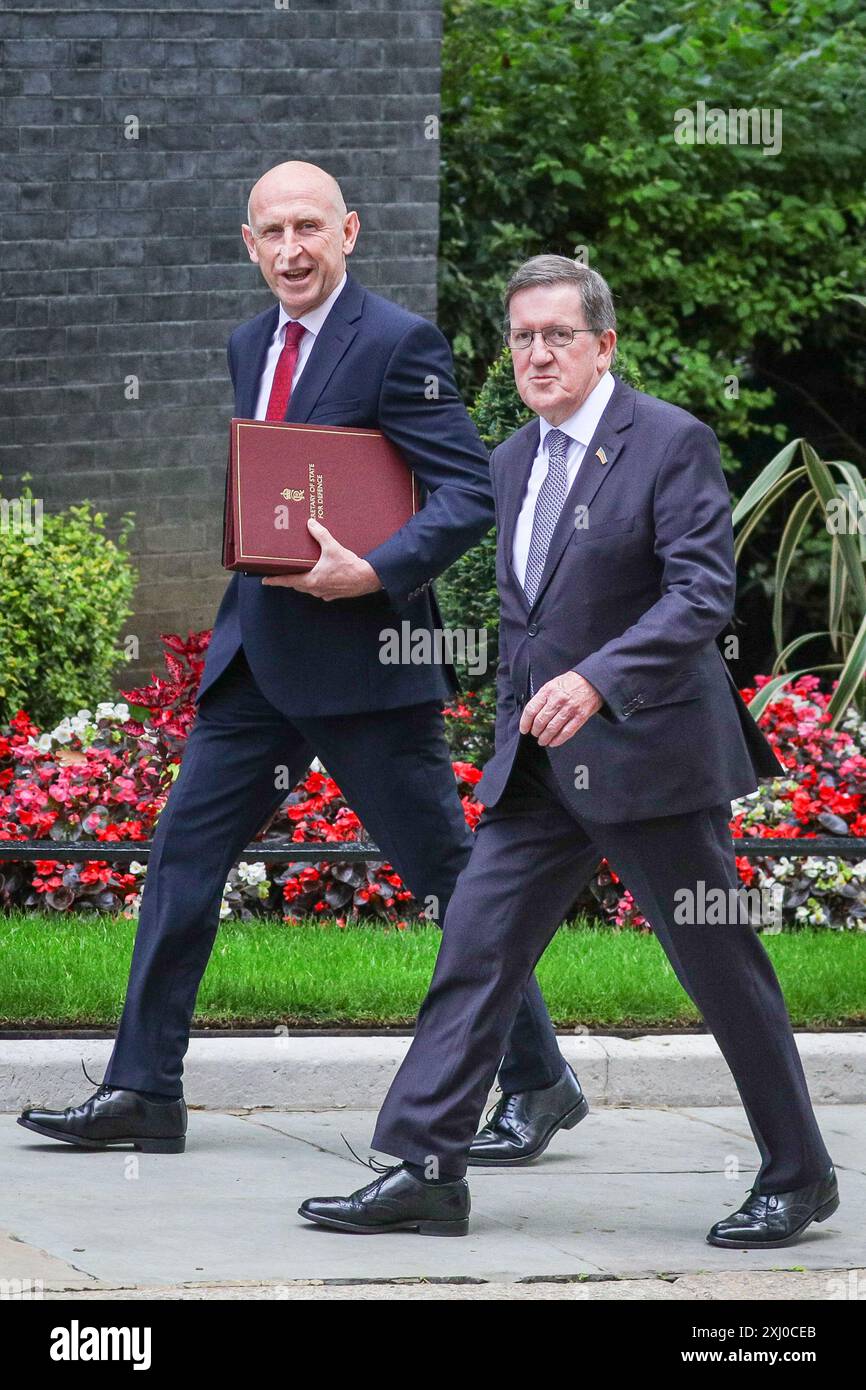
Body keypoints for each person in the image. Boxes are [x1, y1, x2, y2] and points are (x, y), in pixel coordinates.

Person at [17, 170, 583, 1159]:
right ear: (248, 243)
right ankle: (144, 1088)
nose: (291, 249)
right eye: (272, 231)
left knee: (451, 884)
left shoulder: (399, 341)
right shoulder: (249, 342)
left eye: (308, 228)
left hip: (368, 667)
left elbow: (464, 490)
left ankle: (538, 1080)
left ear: (348, 232)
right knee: (181, 864)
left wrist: (374, 569)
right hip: (255, 661)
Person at [299, 255, 838, 1249]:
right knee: (475, 945)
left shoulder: (669, 441)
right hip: (541, 769)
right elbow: (527, 620)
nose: (535, 353)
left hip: (652, 757)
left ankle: (798, 1177)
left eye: (556, 335)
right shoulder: (510, 460)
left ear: (603, 345)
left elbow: (698, 594)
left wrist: (597, 679)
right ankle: (424, 1168)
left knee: (719, 968)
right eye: (520, 337)